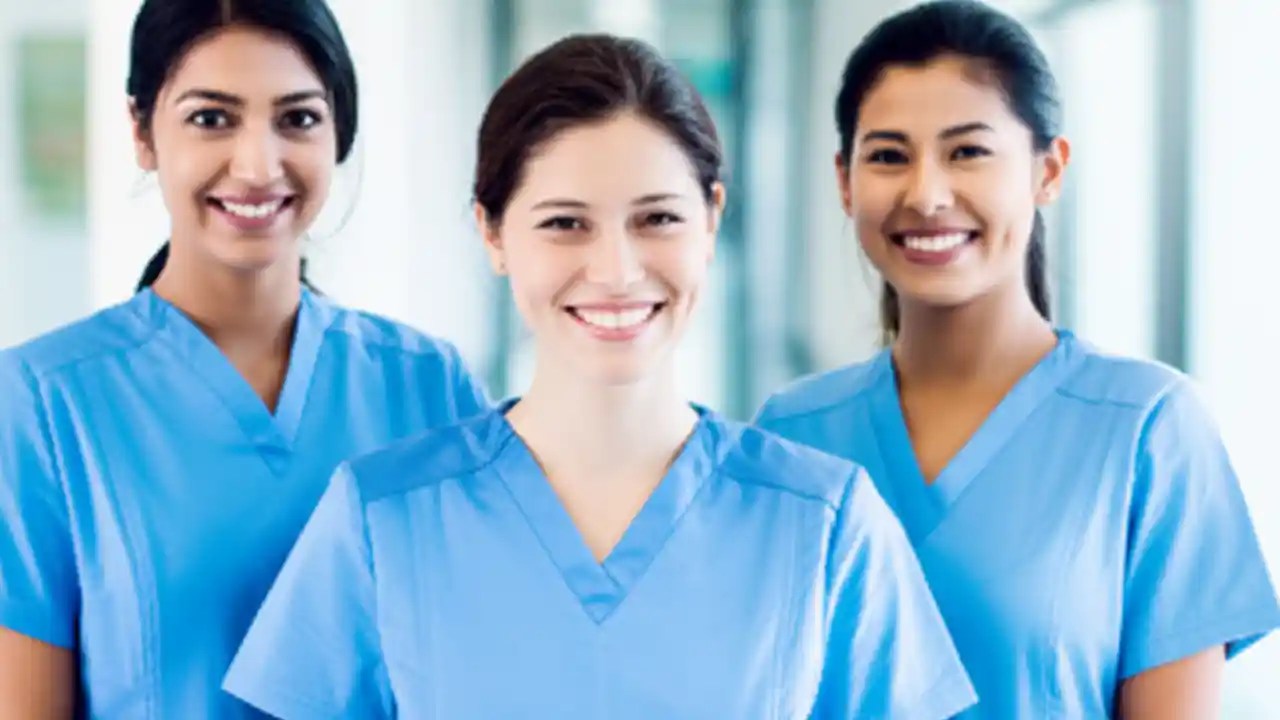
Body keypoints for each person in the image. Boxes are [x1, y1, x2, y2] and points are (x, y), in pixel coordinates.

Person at [223, 33, 976, 719]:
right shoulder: (381, 519)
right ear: (492, 231)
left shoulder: (826, 524)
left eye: (657, 219)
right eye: (564, 222)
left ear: (711, 220)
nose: (617, 271)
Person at [754, 1, 1280, 718]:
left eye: (967, 151)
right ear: (845, 181)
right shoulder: (789, 433)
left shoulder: (1148, 430)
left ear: (1048, 170)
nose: (927, 193)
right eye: (888, 156)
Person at [0, 0, 489, 716]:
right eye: (211, 118)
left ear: (339, 134)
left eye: (297, 119)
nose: (258, 164)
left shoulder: (430, 388)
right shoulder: (41, 405)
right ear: (142, 131)